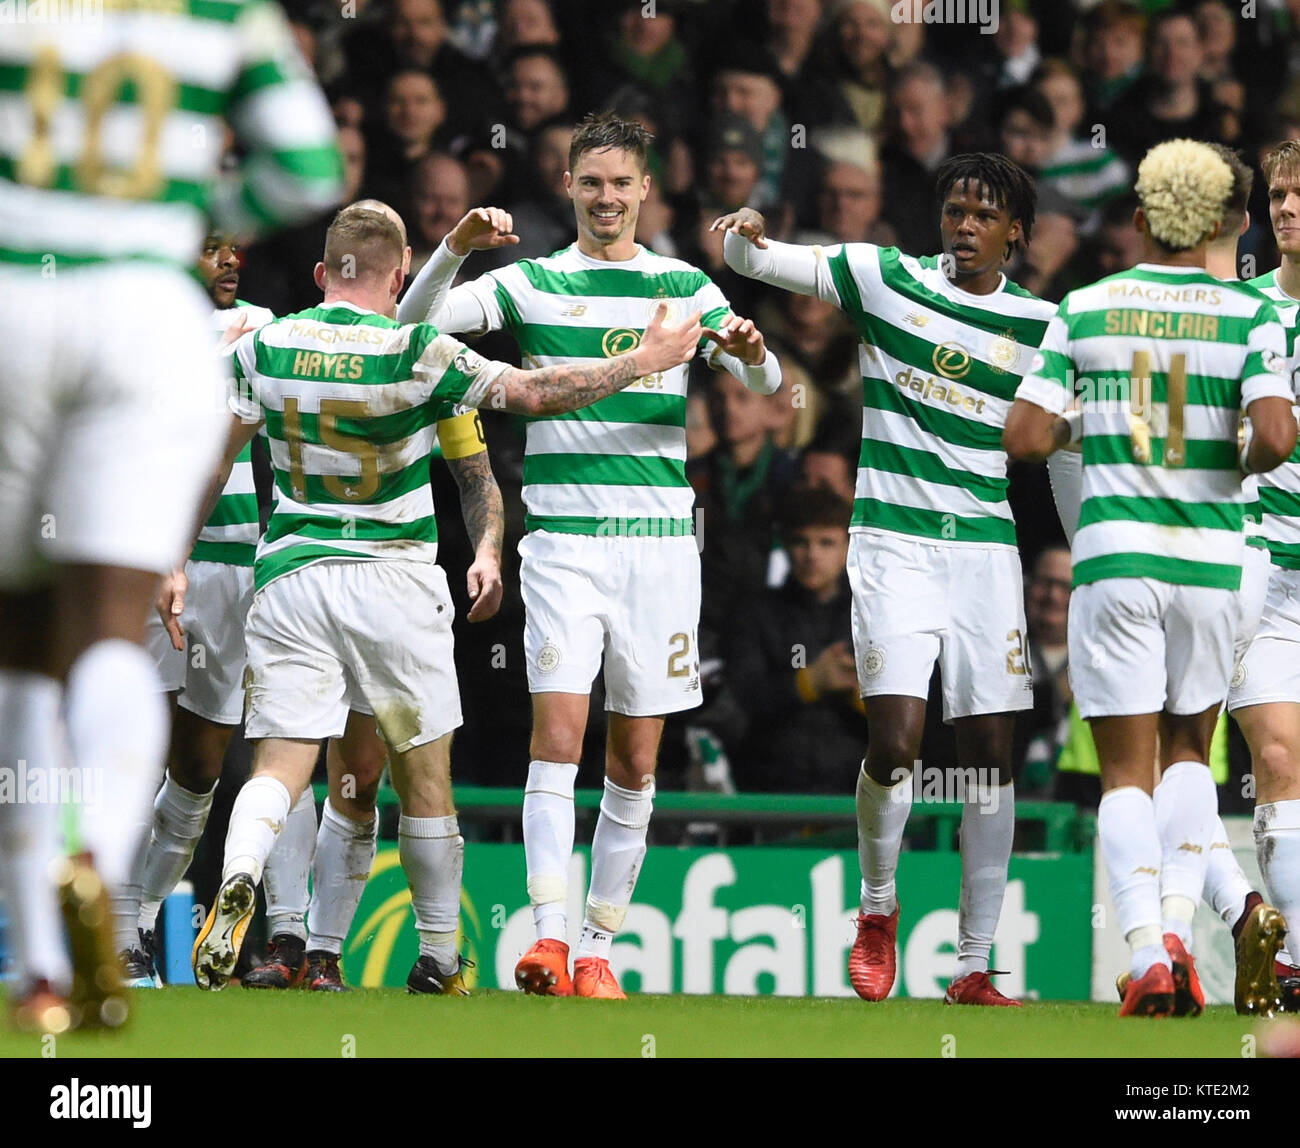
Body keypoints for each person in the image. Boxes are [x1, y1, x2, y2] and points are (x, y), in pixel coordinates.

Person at [189, 202, 705, 994]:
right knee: (423, 775)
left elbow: (213, 462)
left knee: (284, 759)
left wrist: (172, 561)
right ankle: (437, 957)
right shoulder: (419, 350)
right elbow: (536, 393)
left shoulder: (264, 343)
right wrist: (642, 359)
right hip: (394, 582)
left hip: (290, 573)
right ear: (400, 277)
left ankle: (244, 877)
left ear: (325, 274)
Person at [0, 7, 342, 1033]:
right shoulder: (224, 12)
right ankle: (99, 866)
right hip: (149, 314)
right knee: (110, 632)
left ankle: (41, 966)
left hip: (21, 294)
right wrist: (178, 206)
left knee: (20, 643)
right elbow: (308, 166)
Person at [398, 111, 781, 999]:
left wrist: (755, 358)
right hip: (566, 544)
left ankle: (601, 948)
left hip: (659, 551)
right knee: (557, 739)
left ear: (647, 188)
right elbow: (412, 325)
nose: (607, 197)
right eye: (591, 181)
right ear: (568, 186)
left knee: (638, 759)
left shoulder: (685, 284)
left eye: (622, 182)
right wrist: (453, 248)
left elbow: (765, 385)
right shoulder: (529, 284)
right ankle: (548, 942)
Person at [716, 152, 1055, 1007]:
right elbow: (753, 261)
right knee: (897, 742)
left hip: (985, 555)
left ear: (1017, 230)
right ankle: (877, 905)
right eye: (953, 209)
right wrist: (747, 236)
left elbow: (1070, 446)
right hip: (893, 547)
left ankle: (975, 965)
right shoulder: (885, 278)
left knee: (989, 761)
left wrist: (1090, 547)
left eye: (984, 213)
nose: (965, 225)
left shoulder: (1049, 327)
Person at [1004, 138, 1296, 1017]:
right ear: (1227, 221)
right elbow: (1277, 438)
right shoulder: (1247, 319)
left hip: (1118, 558)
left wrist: (1096, 436)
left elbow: (1023, 437)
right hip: (1218, 564)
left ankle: (1148, 950)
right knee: (1194, 761)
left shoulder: (1087, 306)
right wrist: (1220, 461)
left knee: (1126, 772)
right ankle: (1194, 929)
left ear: (1136, 218)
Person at [1226, 138, 1300, 1011]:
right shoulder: (1238, 315)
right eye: (1278, 194)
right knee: (1278, 758)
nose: (1286, 208)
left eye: (1299, 194)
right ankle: (1289, 958)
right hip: (1260, 573)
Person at [725, 489, 861, 794]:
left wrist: (864, 697)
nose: (812, 554)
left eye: (826, 543)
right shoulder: (753, 613)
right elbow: (741, 701)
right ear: (785, 546)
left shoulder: (873, 616)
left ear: (848, 549)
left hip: (854, 793)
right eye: (802, 541)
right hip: (770, 793)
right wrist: (809, 681)